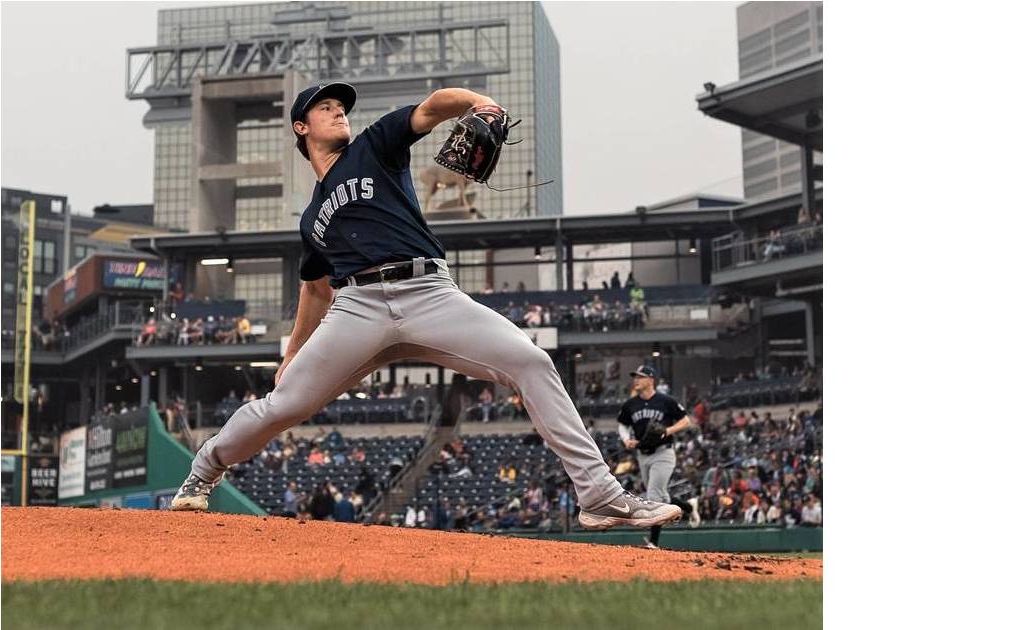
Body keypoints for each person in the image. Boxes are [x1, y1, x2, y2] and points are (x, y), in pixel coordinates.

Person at [169, 82, 678, 529]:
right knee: (284, 406)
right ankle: (203, 471)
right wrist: (290, 355)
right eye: (325, 107)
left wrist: (479, 104)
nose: (338, 111)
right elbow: (315, 290)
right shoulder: (311, 218)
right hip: (358, 308)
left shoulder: (375, 145)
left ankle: (600, 497)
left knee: (532, 361)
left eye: (340, 105)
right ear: (301, 127)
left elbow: (436, 106)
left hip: (429, 293)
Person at [616, 365, 695, 549]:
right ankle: (688, 507)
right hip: (643, 455)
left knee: (653, 496)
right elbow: (622, 425)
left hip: (663, 453)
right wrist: (626, 439)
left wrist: (667, 430)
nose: (636, 380)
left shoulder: (665, 401)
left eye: (640, 377)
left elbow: (685, 421)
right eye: (635, 376)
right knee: (662, 496)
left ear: (651, 380)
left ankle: (653, 542)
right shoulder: (631, 404)